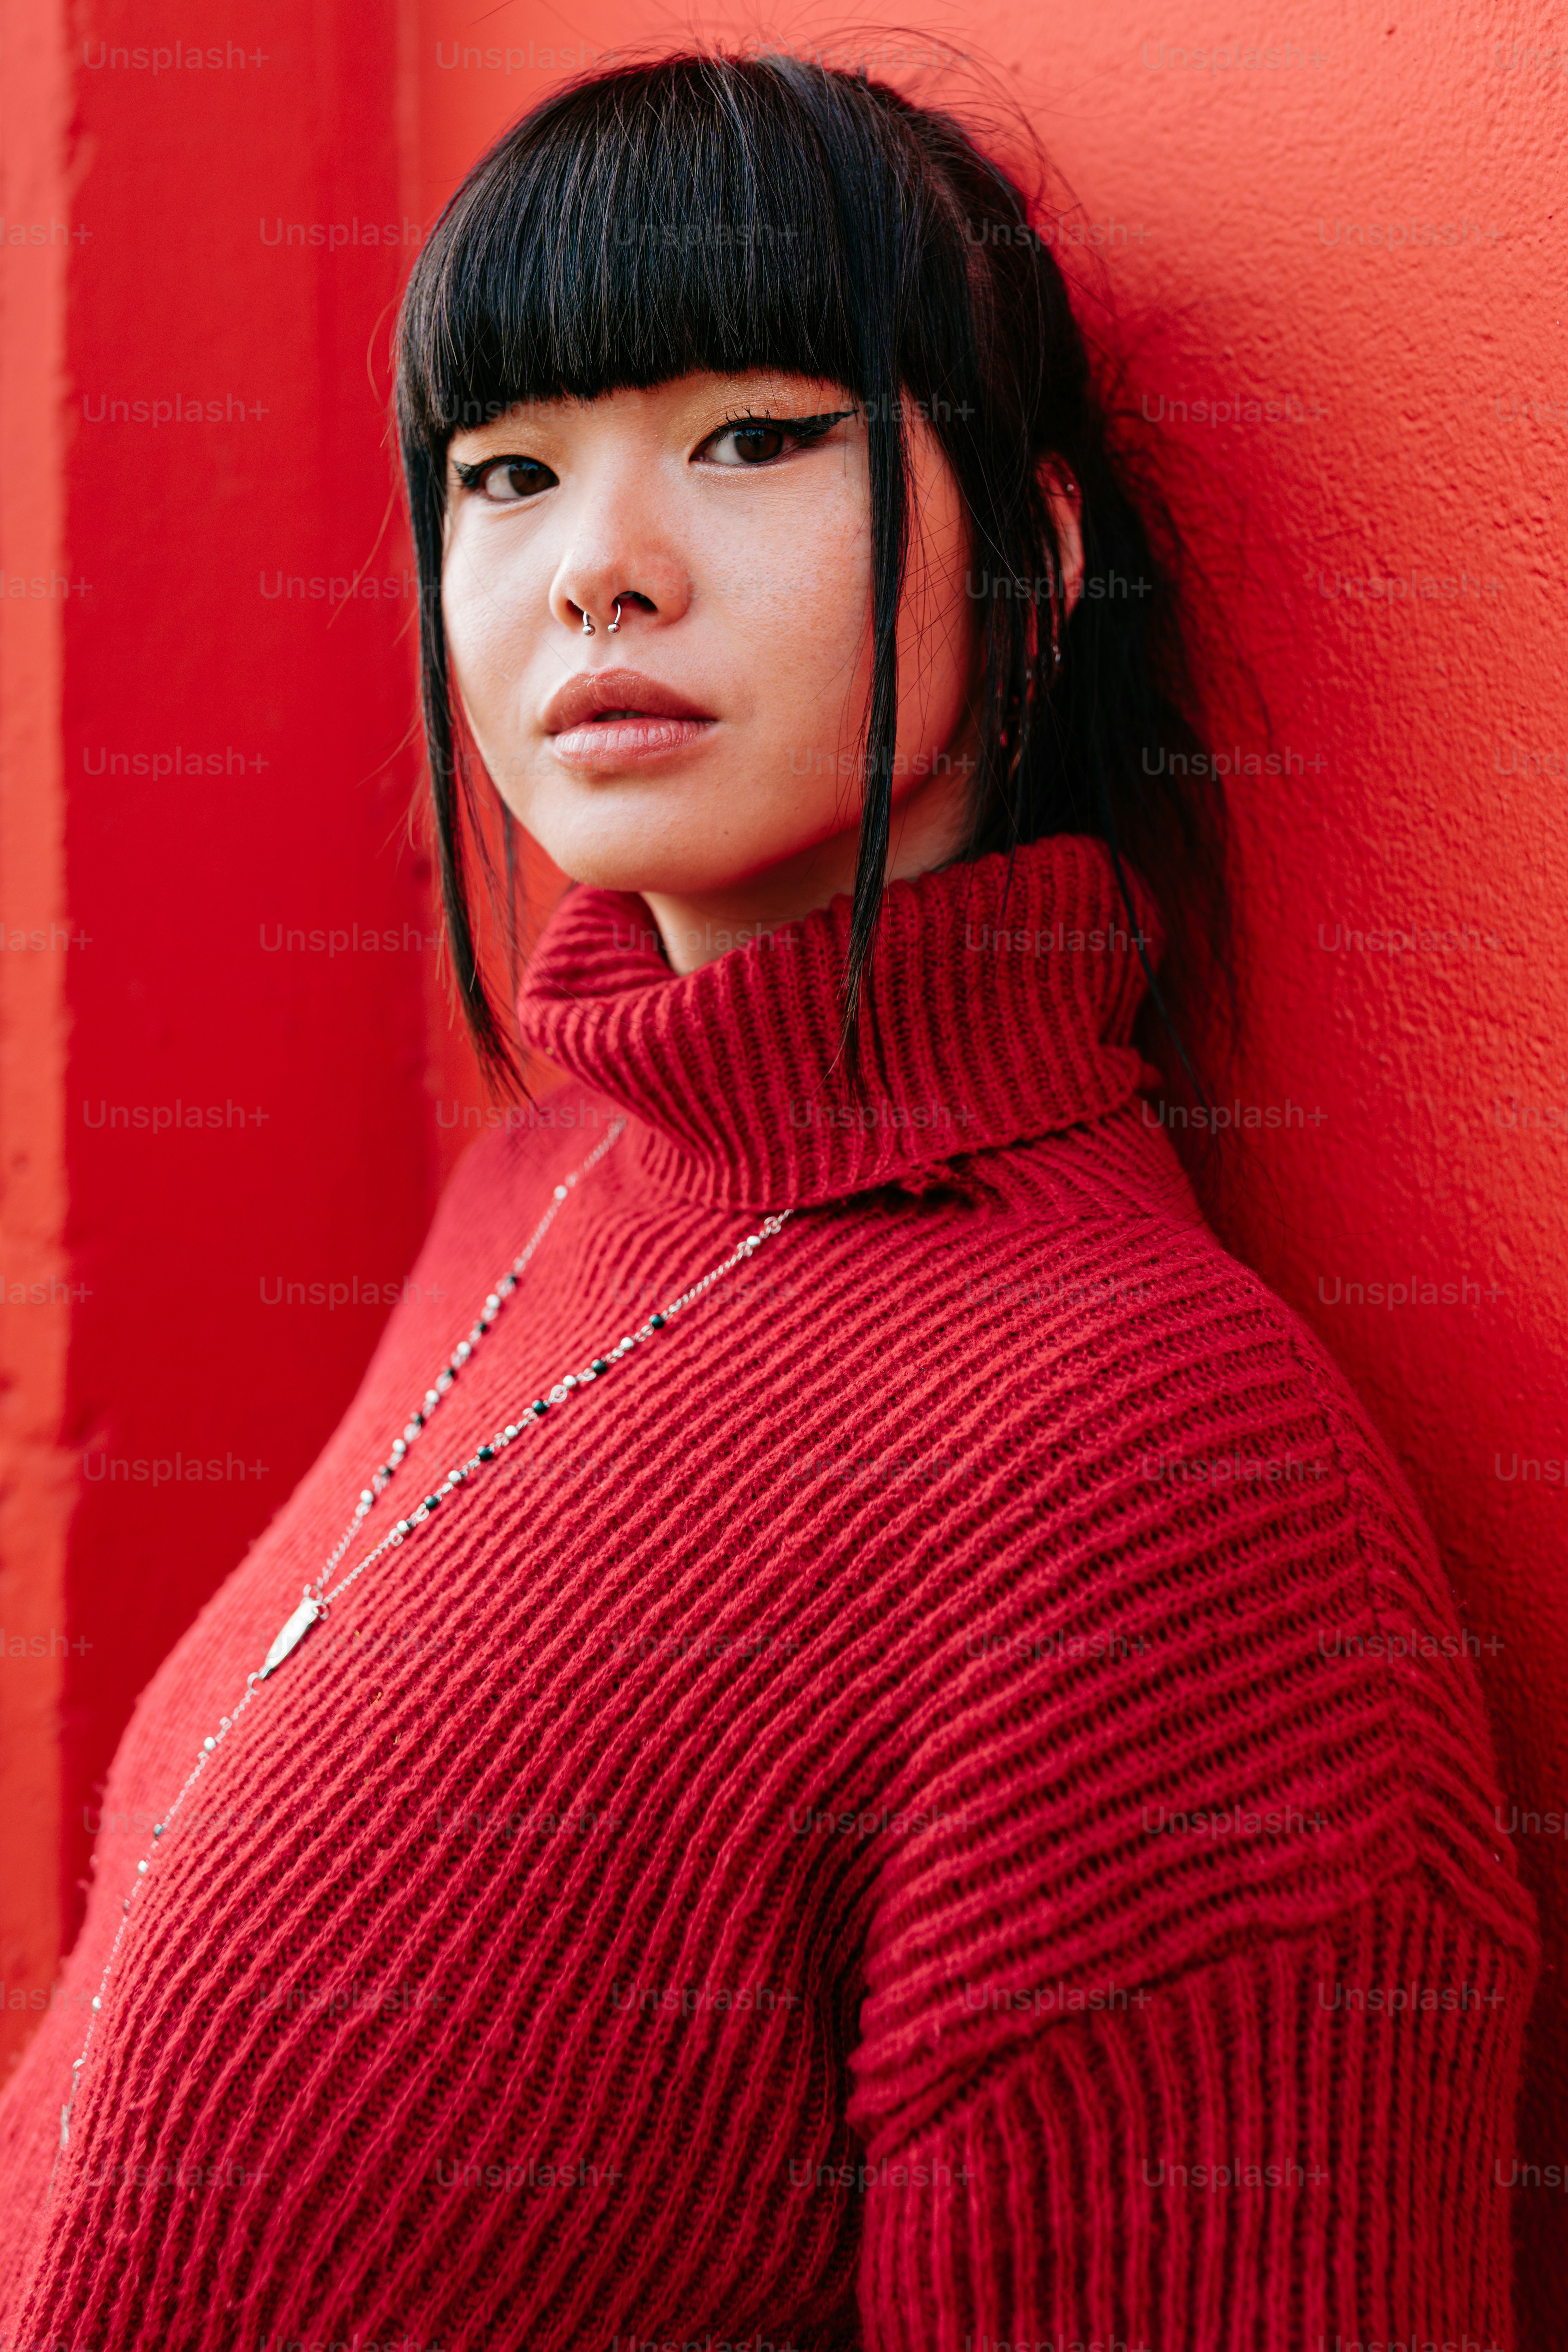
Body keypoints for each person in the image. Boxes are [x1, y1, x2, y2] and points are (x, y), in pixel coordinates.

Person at [0, 51, 1537, 2352]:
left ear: (1034, 550)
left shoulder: (1160, 1475)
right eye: (506, 472)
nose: (597, 561)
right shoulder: (537, 1192)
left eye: (751, 438)